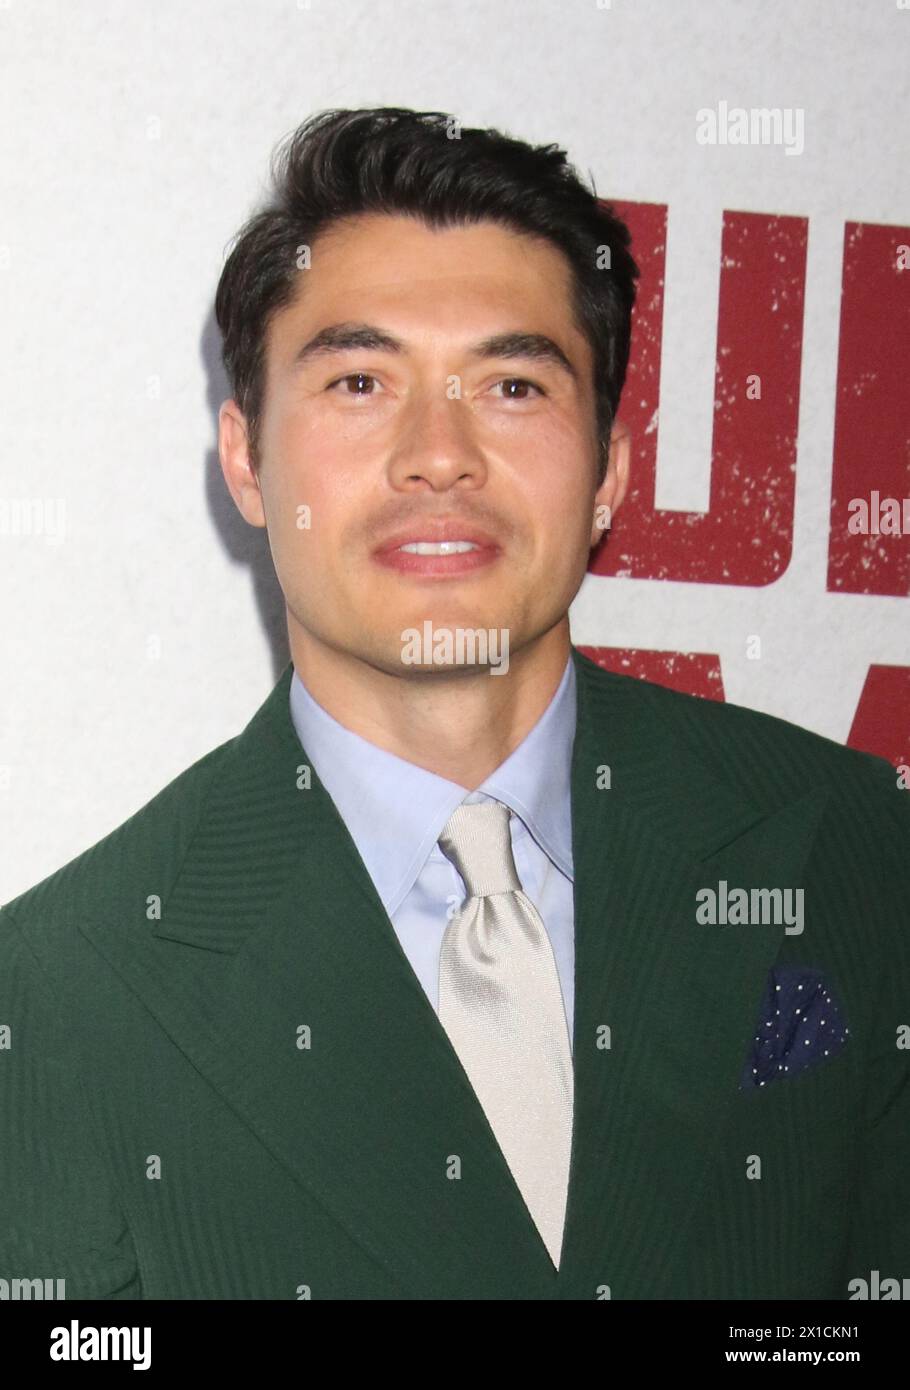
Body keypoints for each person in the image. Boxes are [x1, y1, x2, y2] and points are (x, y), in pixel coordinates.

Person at [1, 108, 907, 1301]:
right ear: (244, 461)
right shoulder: (60, 997)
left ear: (609, 473)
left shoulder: (847, 840)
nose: (440, 454)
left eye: (514, 383)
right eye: (361, 380)